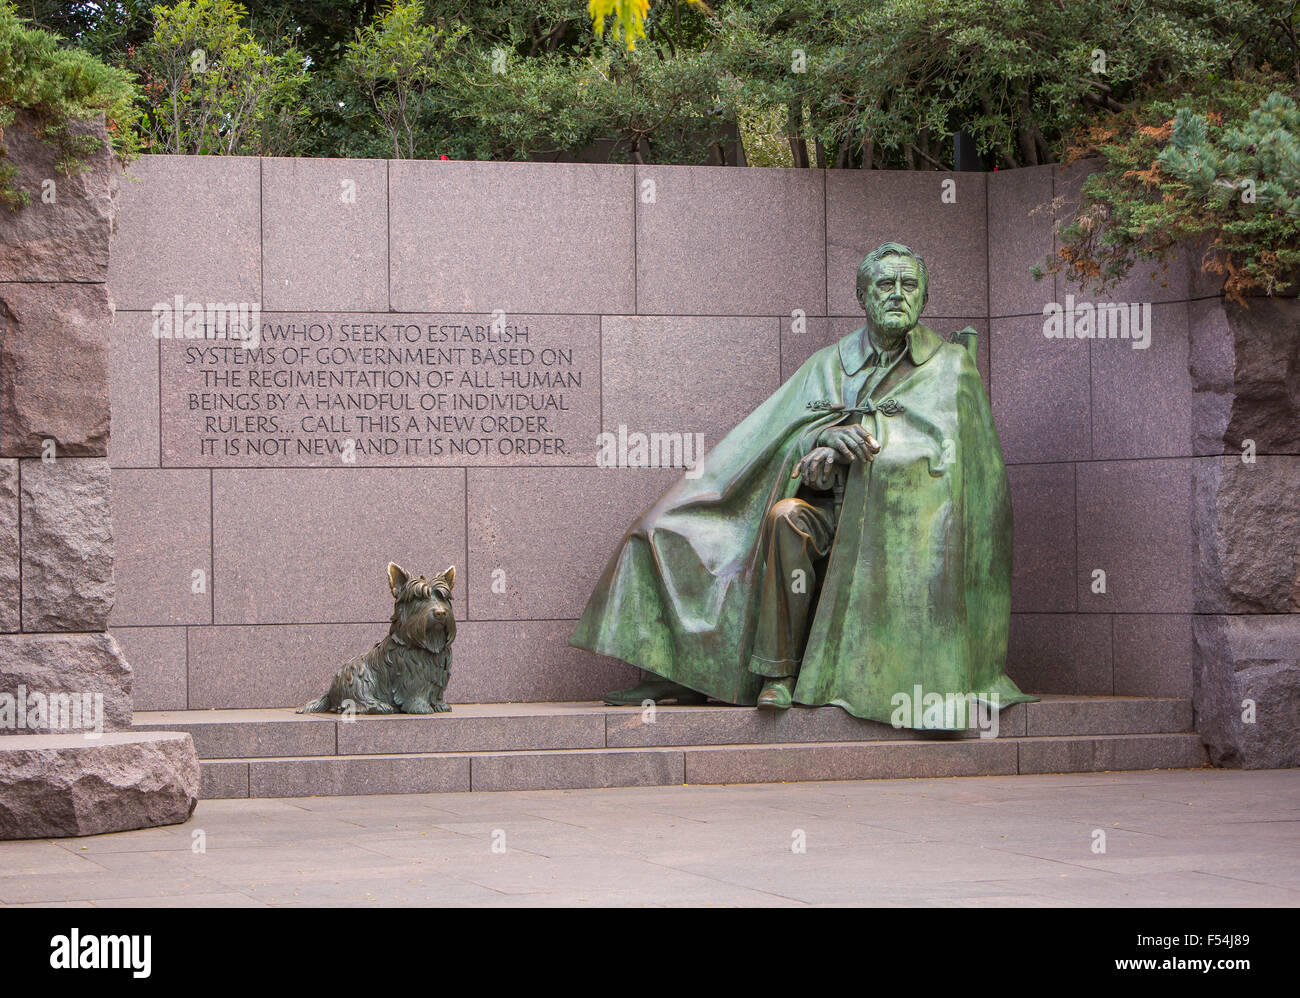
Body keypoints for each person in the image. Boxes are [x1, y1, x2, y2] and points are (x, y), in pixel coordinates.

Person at [570, 243, 1035, 728]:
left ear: (923, 295)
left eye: (909, 285)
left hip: (897, 529)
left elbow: (957, 467)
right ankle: (720, 672)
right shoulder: (828, 365)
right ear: (861, 295)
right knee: (681, 526)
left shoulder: (950, 365)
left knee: (788, 519)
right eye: (884, 285)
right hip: (823, 509)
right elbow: (772, 435)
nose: (898, 295)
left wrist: (868, 445)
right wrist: (814, 442)